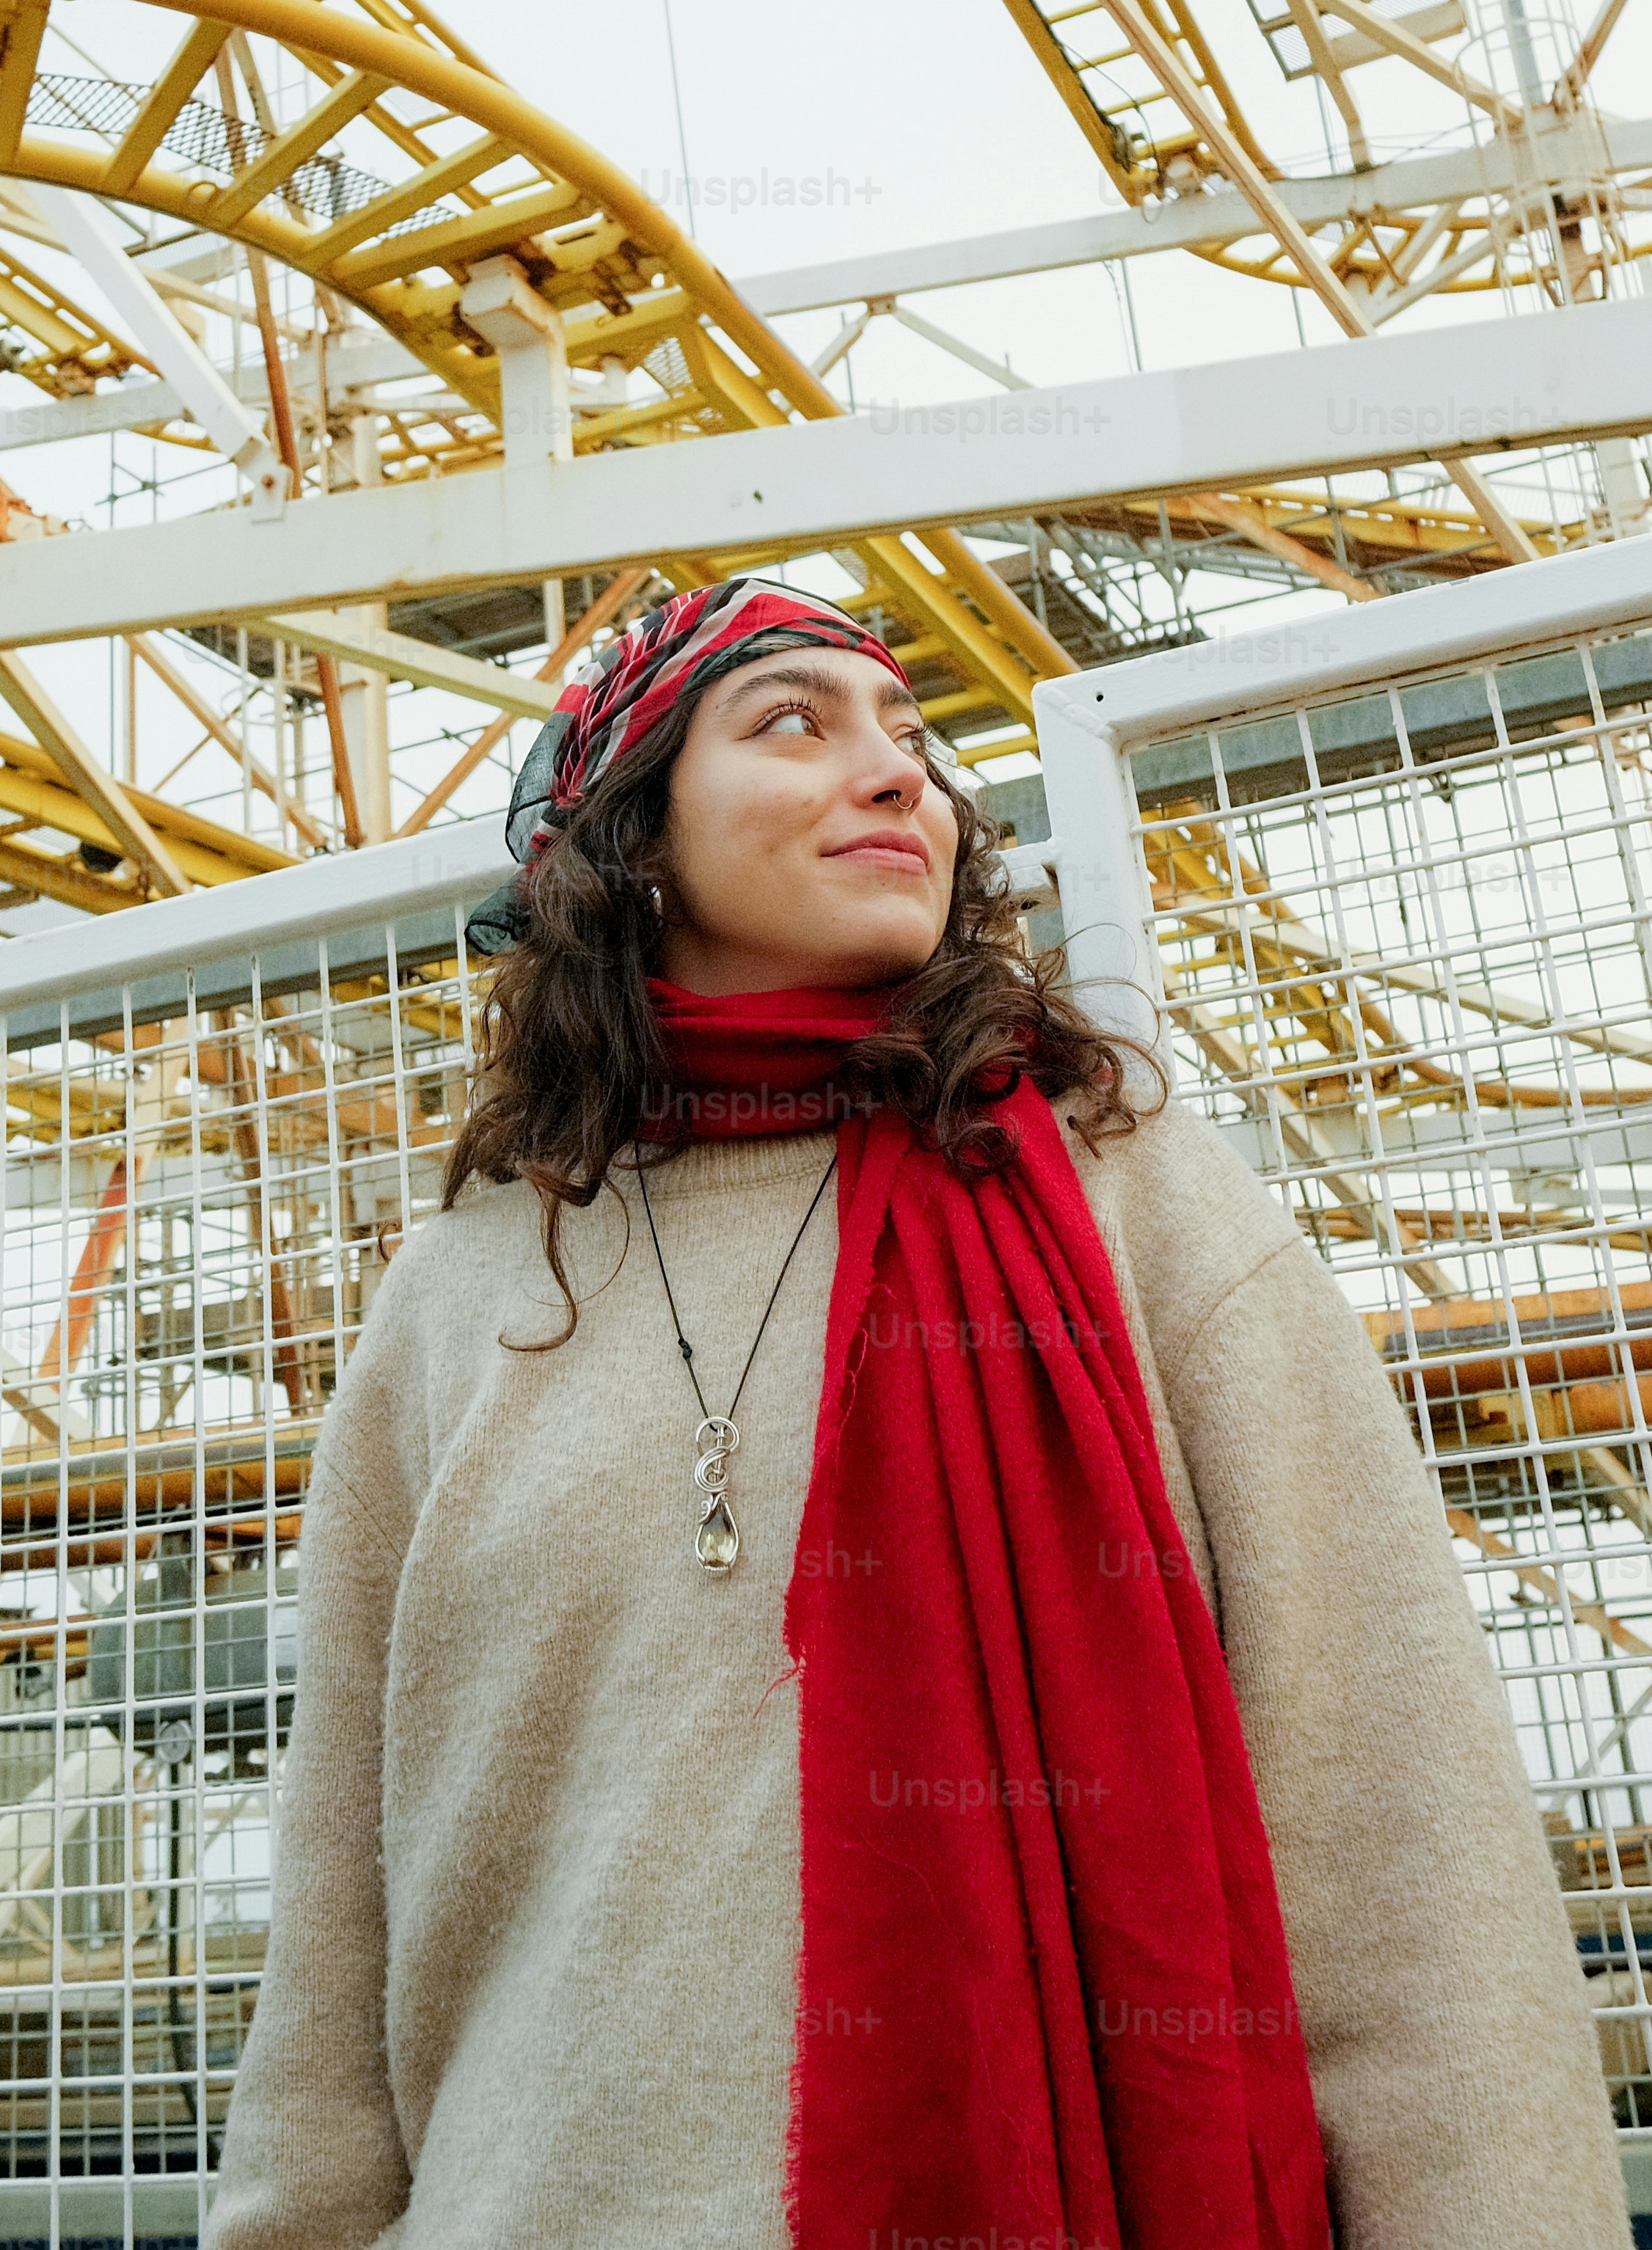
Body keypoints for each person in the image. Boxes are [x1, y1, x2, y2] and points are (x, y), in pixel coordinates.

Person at [206, 579, 1628, 2249]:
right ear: (631, 839)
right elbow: (341, 1903)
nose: (897, 774)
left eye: (910, 737)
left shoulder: (1127, 1201)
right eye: (793, 722)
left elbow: (1393, 1806)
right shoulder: (464, 1286)